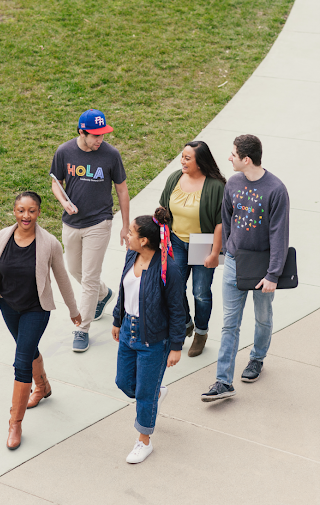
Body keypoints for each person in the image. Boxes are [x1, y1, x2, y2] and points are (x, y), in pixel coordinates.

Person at [0, 191, 81, 450]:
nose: (25, 216)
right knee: (28, 350)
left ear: (39, 212)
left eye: (31, 210)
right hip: (8, 307)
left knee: (21, 360)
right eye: (21, 210)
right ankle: (43, 386)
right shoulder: (1, 238)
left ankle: (14, 423)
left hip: (36, 309)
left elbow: (62, 278)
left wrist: (74, 310)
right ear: (14, 211)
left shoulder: (49, 243)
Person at [201, 135, 289, 402]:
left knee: (262, 316)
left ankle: (257, 358)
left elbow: (279, 235)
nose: (229, 157)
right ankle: (223, 381)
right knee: (230, 324)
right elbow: (227, 218)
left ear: (246, 159)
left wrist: (273, 274)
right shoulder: (234, 184)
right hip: (235, 264)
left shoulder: (276, 189)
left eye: (233, 154)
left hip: (263, 267)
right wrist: (229, 250)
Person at [50, 109, 130, 353]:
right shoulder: (64, 152)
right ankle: (103, 294)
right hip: (71, 223)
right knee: (75, 269)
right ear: (81, 132)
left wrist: (125, 226)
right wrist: (64, 203)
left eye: (103, 135)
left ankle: (82, 329)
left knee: (89, 277)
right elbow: (56, 182)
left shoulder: (111, 155)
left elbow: (122, 190)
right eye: (95, 135)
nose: (100, 140)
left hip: (99, 222)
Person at [112, 207, 185, 464]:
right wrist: (117, 320)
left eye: (130, 233)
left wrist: (176, 346)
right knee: (124, 382)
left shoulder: (169, 269)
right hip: (128, 332)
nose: (127, 236)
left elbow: (178, 310)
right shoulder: (130, 257)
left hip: (153, 338)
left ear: (144, 240)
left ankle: (144, 441)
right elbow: (123, 291)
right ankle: (155, 392)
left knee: (143, 394)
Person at [160, 141, 226, 357]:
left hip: (203, 243)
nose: (182, 161)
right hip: (177, 241)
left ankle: (201, 332)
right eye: (182, 156)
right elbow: (163, 207)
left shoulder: (216, 186)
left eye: (188, 158)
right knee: (173, 286)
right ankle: (186, 322)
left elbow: (220, 223)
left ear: (201, 161)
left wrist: (215, 253)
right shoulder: (174, 178)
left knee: (200, 293)